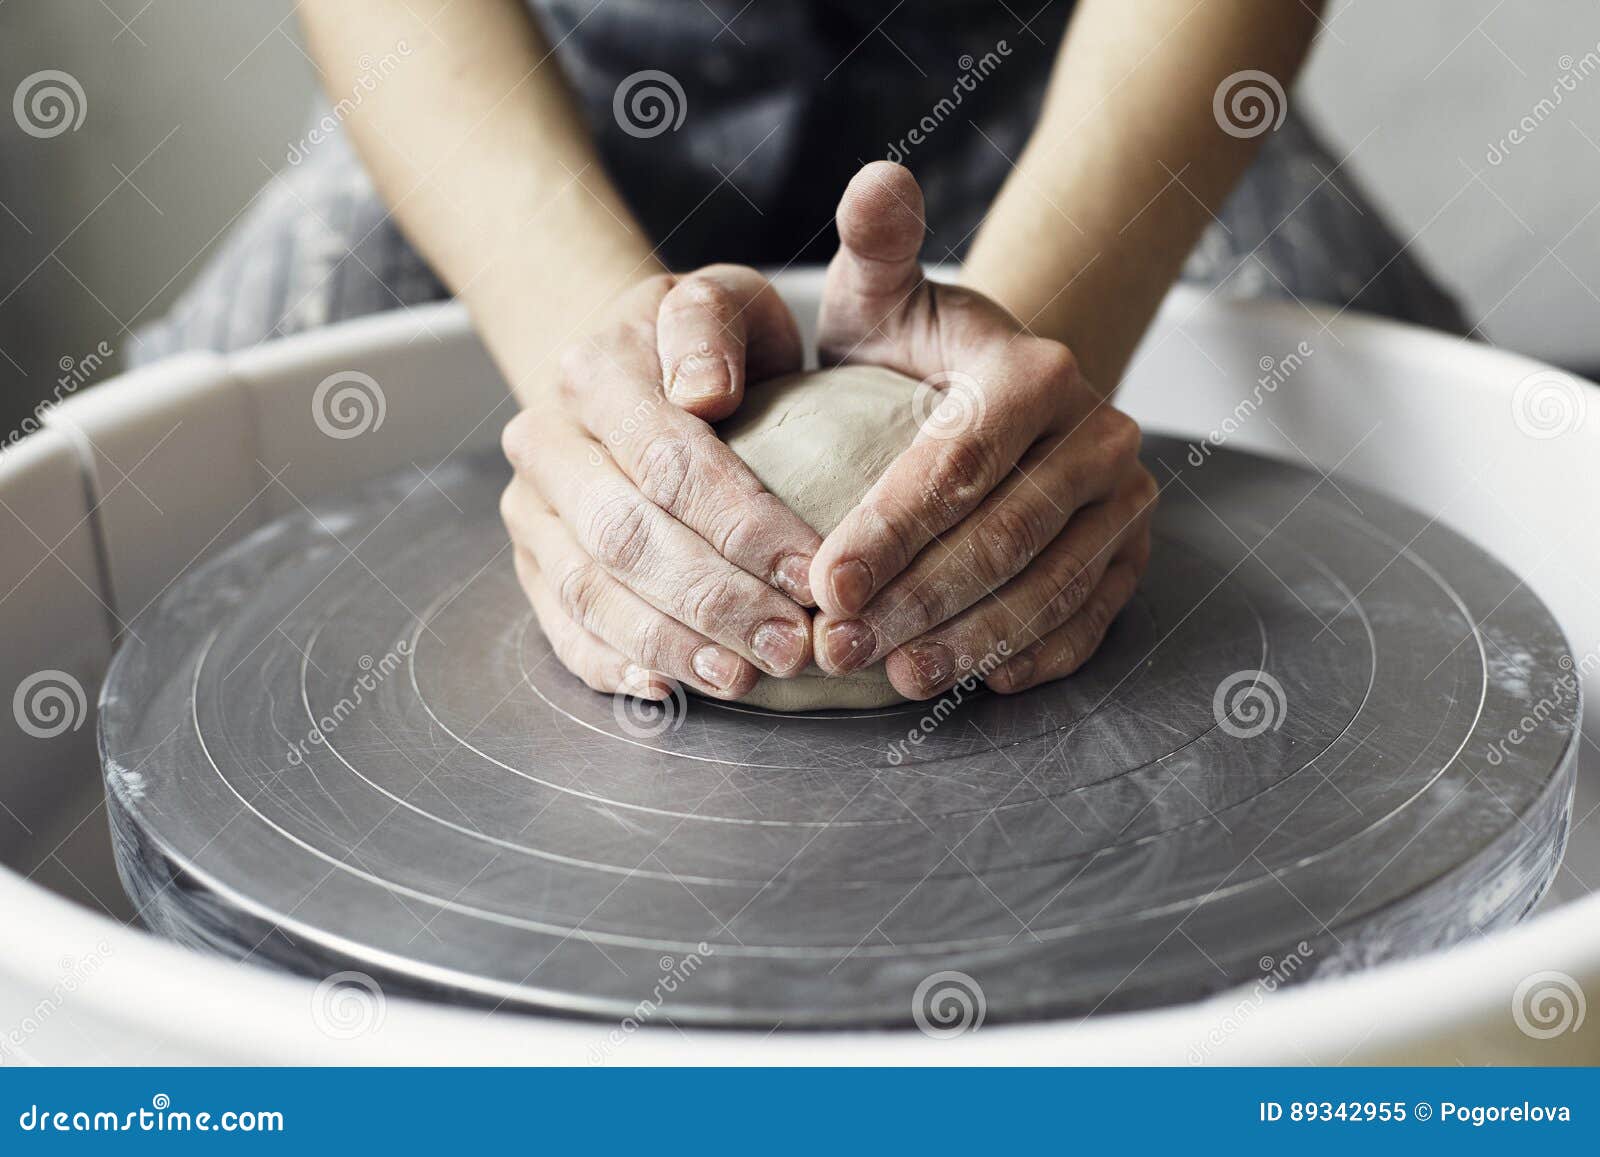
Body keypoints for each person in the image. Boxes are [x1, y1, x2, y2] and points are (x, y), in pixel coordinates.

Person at [137, 0, 1465, 705]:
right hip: (541, 84)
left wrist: (1031, 376)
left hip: (1059, 74)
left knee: (1423, 454)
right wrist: (597, 395)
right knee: (156, 500)